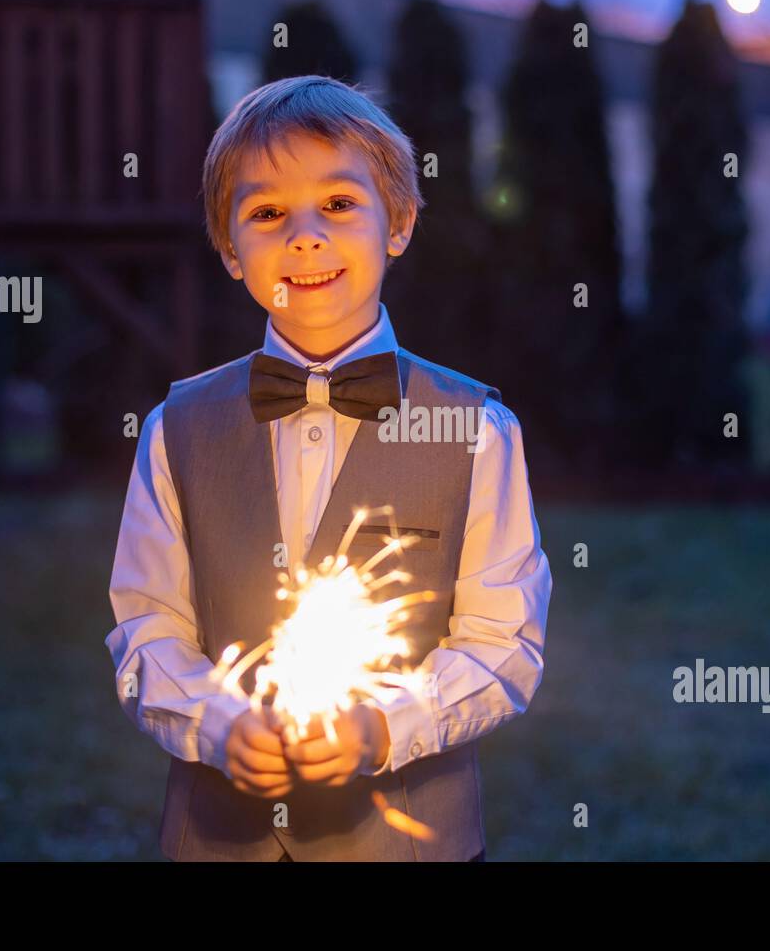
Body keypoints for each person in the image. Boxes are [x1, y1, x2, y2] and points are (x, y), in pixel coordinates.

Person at [105, 75, 551, 861]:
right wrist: (218, 723)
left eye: (339, 204)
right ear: (229, 250)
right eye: (267, 213)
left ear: (400, 223)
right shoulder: (176, 429)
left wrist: (384, 726)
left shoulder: (478, 428)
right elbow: (148, 628)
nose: (304, 237)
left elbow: (502, 641)